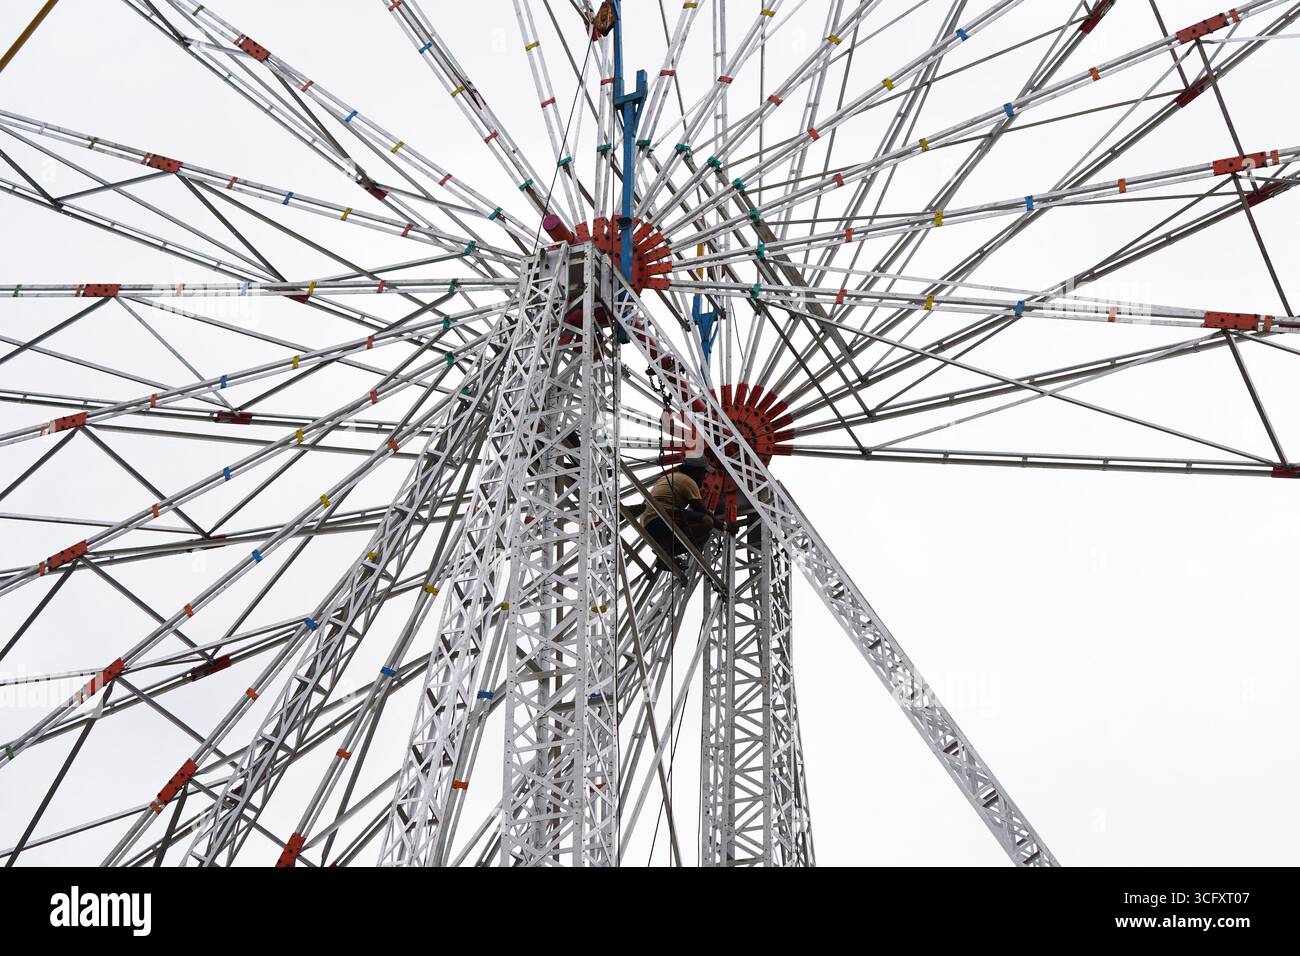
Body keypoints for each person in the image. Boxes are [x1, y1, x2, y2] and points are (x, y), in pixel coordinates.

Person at [640, 459, 715, 555]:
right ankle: (666, 547)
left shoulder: (669, 477)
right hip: (661, 518)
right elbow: (699, 509)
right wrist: (725, 526)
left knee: (704, 536)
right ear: (696, 471)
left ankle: (666, 555)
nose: (705, 478)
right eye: (704, 473)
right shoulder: (688, 481)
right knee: (707, 521)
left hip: (647, 525)